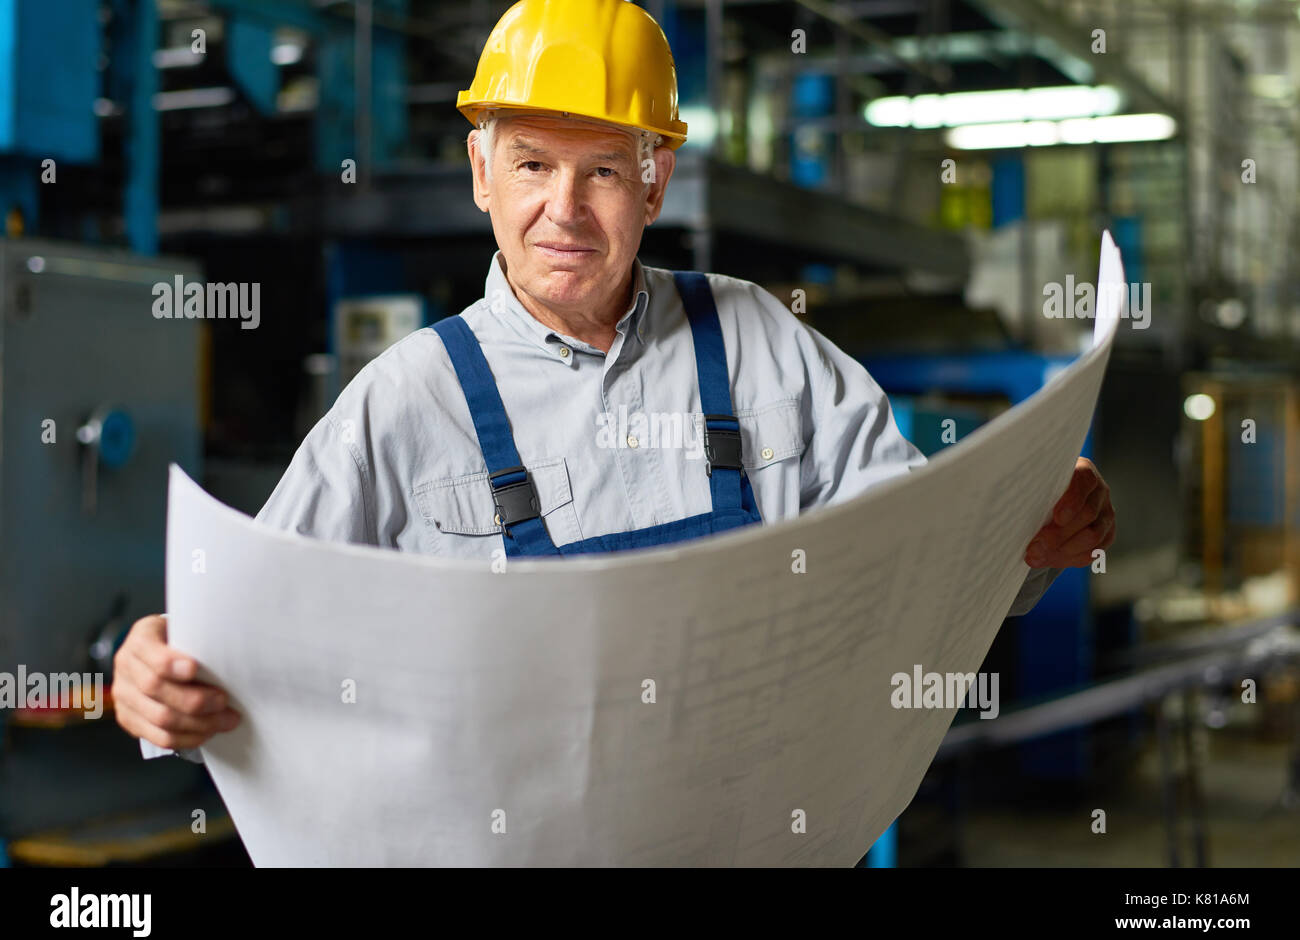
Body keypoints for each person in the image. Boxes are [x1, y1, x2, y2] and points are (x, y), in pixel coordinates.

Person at [114, 0, 1115, 760]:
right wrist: (159, 673)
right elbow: (241, 648)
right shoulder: (401, 404)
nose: (564, 208)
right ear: (481, 173)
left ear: (654, 181)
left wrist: (1026, 536)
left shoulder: (761, 344)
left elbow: (918, 551)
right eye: (531, 164)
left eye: (601, 169)